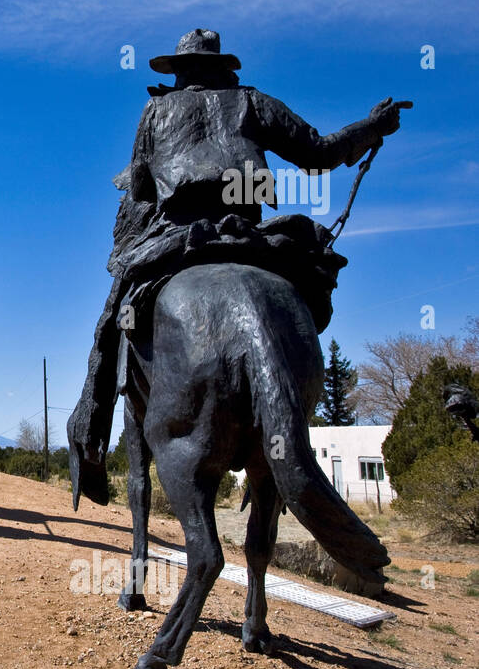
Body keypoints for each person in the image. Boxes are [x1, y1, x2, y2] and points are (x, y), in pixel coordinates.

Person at [67, 29, 402, 507]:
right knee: (312, 280)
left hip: (174, 236)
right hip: (247, 232)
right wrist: (372, 128)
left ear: (181, 71)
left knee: (111, 325)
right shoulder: (253, 102)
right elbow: (320, 152)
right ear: (223, 67)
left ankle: (90, 438)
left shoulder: (156, 110)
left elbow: (140, 188)